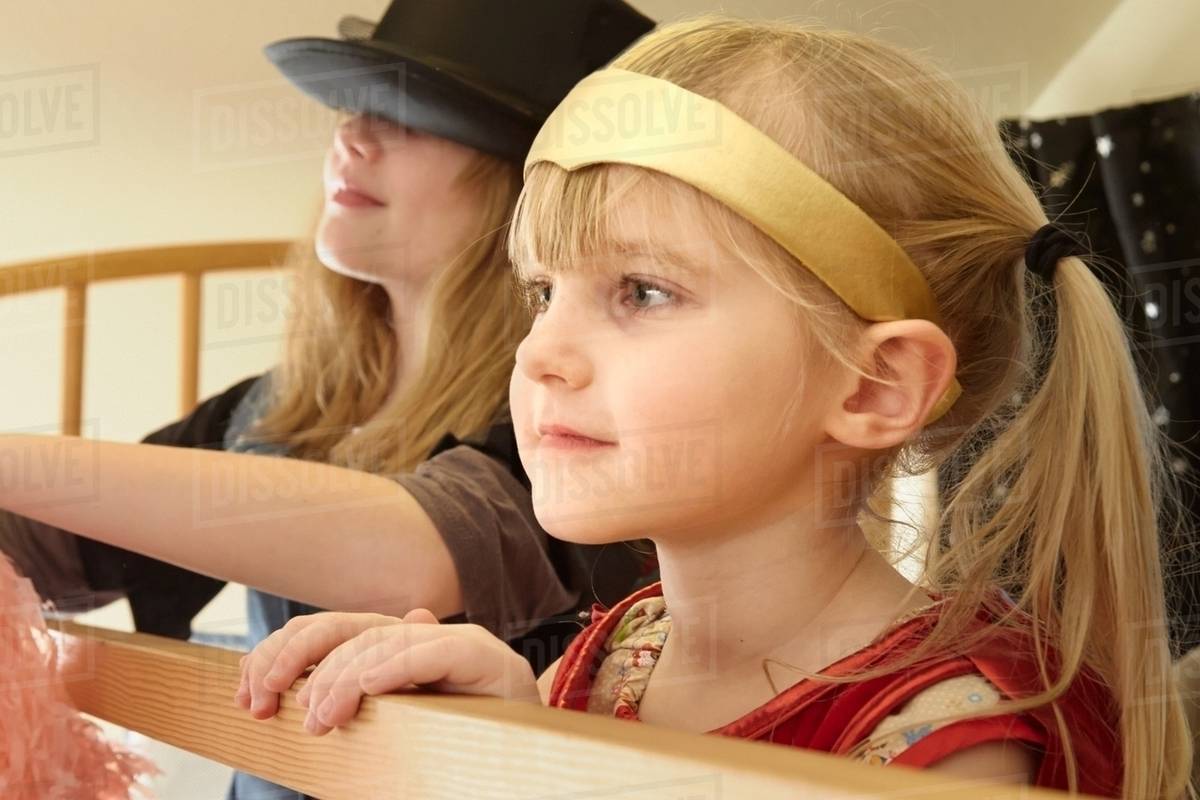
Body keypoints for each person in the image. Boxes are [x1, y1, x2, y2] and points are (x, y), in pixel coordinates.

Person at [235, 15, 1195, 799]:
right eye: (542, 293)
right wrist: (504, 738)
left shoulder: (950, 745)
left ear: (872, 385)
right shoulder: (615, 653)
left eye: (642, 292)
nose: (540, 357)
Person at [0, 2, 656, 798]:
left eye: (405, 115)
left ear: (531, 190)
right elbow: (59, 544)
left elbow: (416, 551)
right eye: (354, 108)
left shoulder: (566, 414)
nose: (354, 136)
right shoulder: (274, 410)